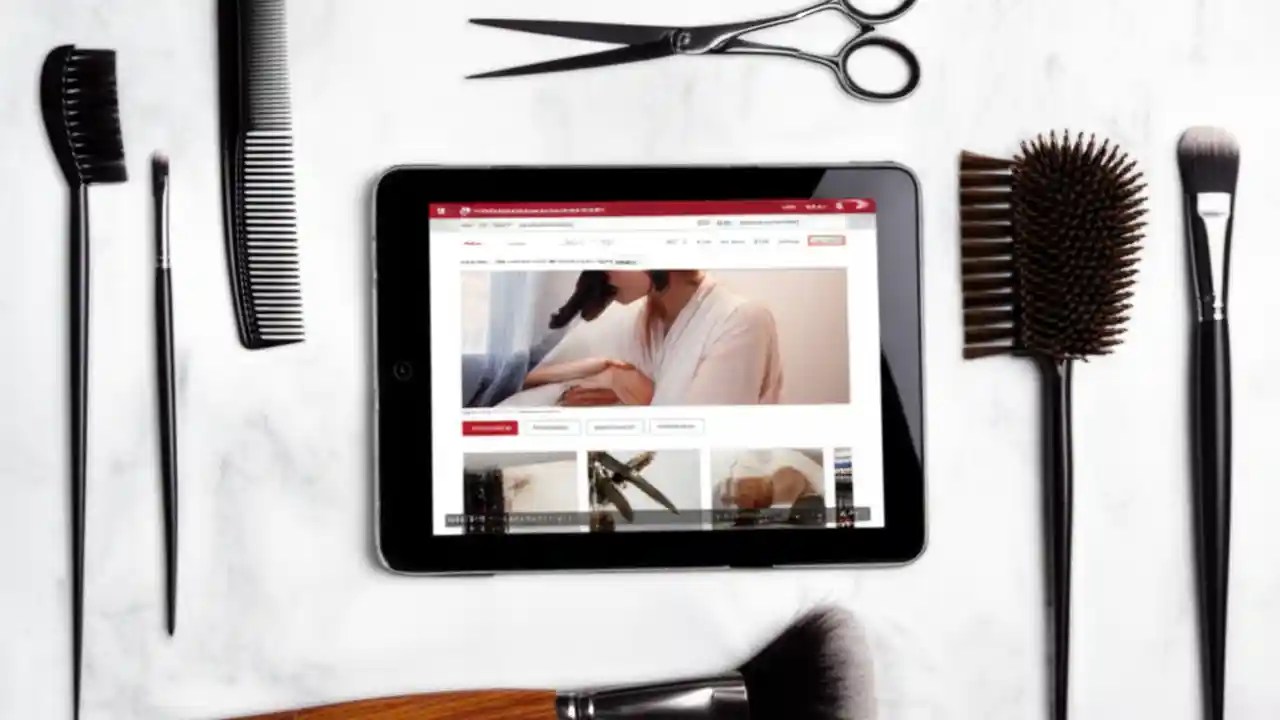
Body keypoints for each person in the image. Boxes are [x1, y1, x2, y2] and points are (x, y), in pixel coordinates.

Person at [522, 270, 783, 406]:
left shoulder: (741, 320)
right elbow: (521, 380)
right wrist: (604, 373)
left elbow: (702, 451)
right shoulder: (635, 315)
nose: (603, 270)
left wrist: (641, 395)